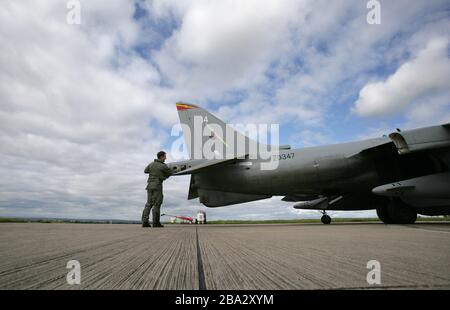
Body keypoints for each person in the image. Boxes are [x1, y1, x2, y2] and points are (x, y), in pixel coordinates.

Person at [142, 151, 172, 228]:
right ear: (161, 157)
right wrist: (163, 177)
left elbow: (145, 171)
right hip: (157, 186)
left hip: (149, 186)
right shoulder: (163, 166)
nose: (166, 158)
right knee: (157, 204)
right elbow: (170, 173)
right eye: (165, 156)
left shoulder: (151, 164)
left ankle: (145, 222)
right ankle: (156, 223)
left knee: (148, 204)